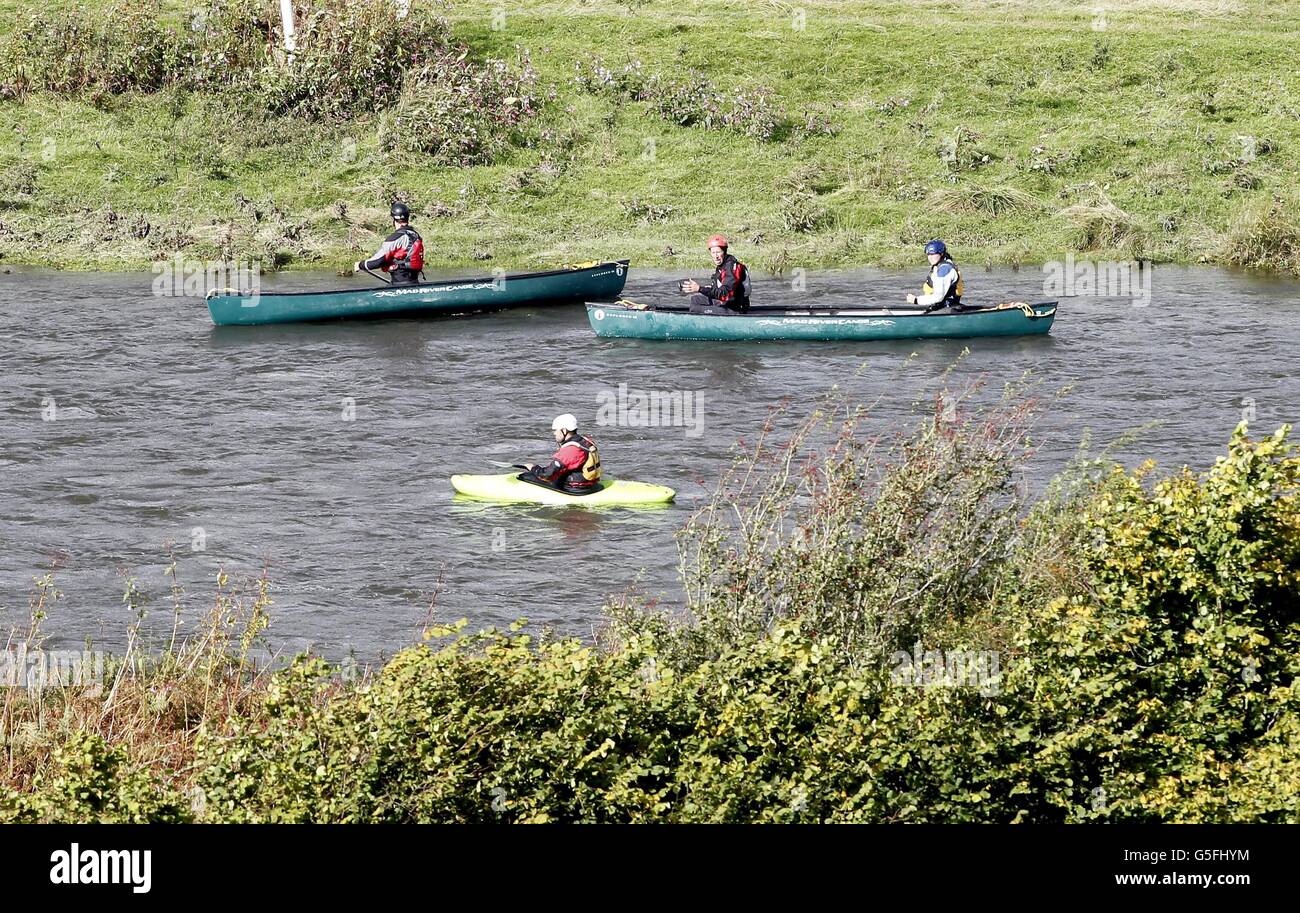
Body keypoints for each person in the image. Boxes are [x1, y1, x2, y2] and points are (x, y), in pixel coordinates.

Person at [521, 414, 602, 493]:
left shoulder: (571, 450)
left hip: (576, 489)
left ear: (564, 430)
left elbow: (547, 475)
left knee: (526, 476)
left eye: (556, 430)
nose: (554, 433)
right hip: (592, 485)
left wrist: (533, 468)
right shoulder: (586, 440)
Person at [354, 202, 424, 286]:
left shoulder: (394, 238)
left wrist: (361, 265)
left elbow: (378, 261)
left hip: (399, 284)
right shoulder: (416, 235)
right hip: (414, 283)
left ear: (394, 220)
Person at [681, 234, 751, 315]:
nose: (716, 256)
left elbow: (725, 294)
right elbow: (718, 289)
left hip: (733, 308)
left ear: (724, 252)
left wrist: (699, 289)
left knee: (695, 308)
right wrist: (705, 289)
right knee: (695, 300)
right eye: (713, 252)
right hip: (725, 303)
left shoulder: (731, 268)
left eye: (718, 252)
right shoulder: (722, 266)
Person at [906, 239, 966, 311]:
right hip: (941, 306)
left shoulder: (945, 269)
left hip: (947, 308)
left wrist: (916, 300)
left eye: (933, 254)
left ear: (941, 254)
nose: (930, 257)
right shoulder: (938, 266)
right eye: (928, 254)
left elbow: (938, 297)